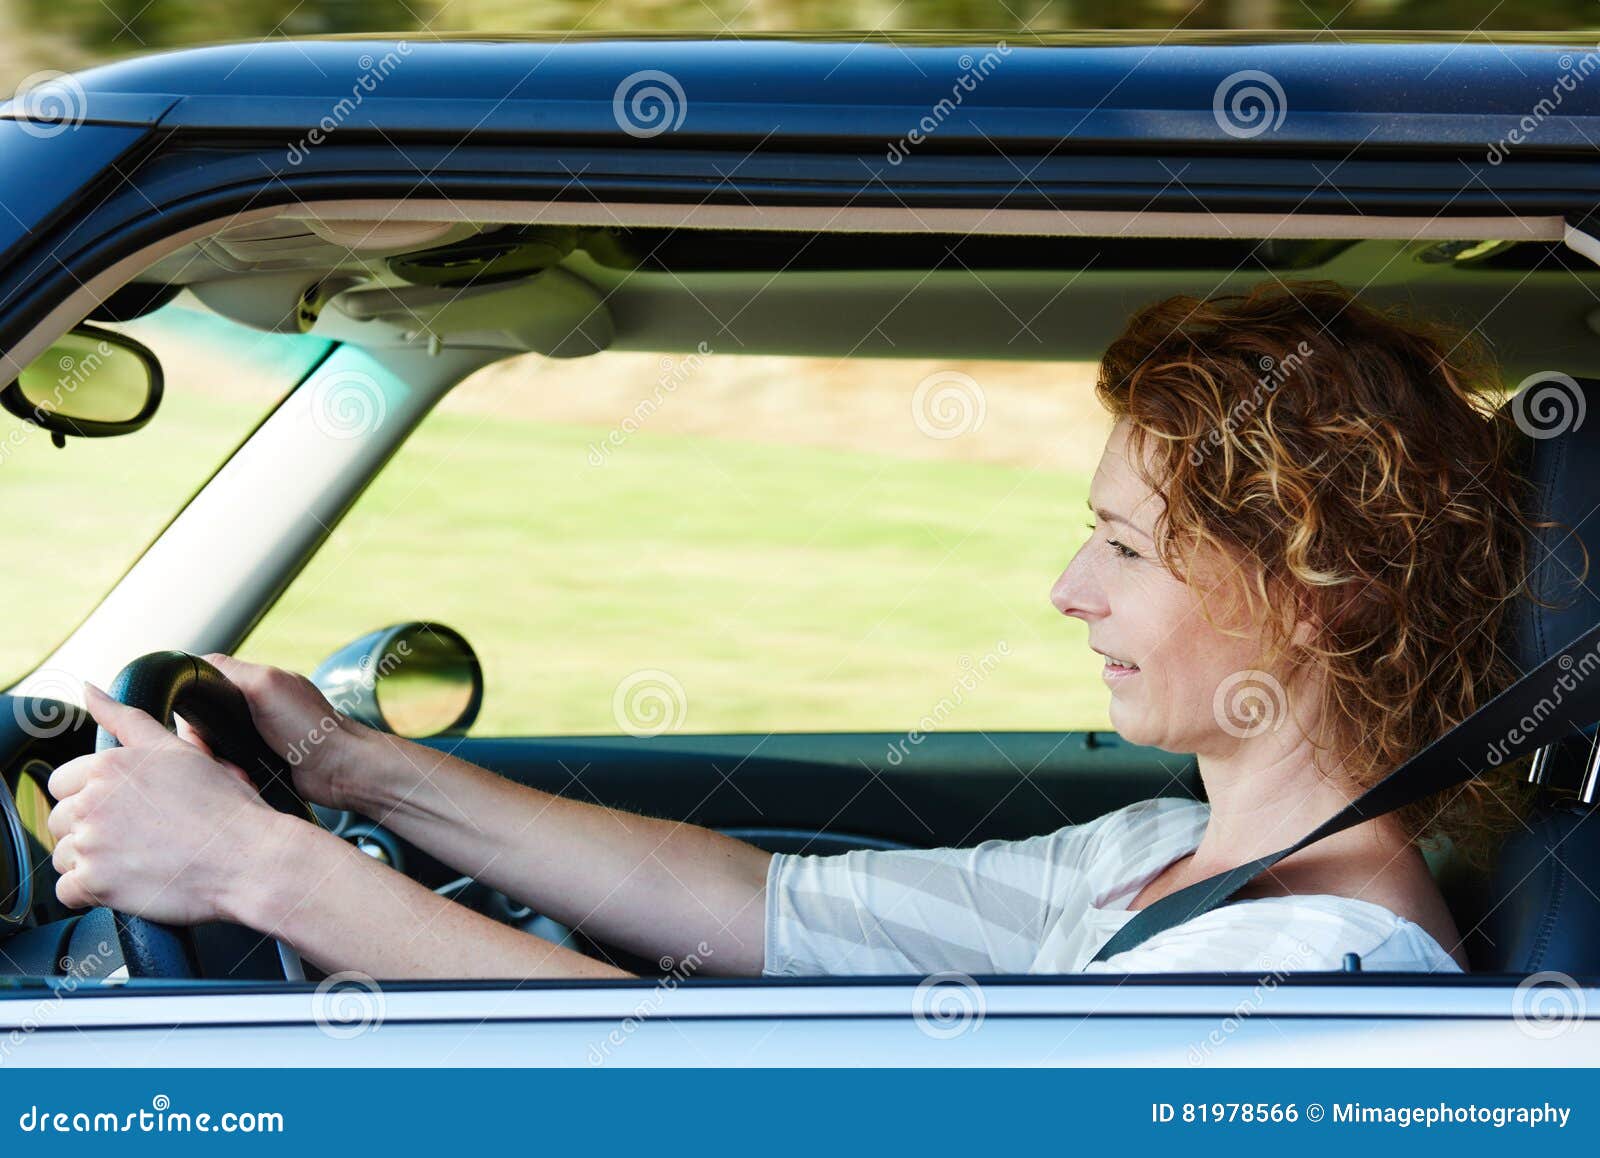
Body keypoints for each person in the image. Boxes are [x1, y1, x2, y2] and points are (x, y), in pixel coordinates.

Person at [45, 281, 1538, 978]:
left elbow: (683, 1100)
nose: (1070, 590)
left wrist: (258, 867)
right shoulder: (1153, 855)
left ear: (1323, 585)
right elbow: (763, 909)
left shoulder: (1299, 970)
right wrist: (350, 767)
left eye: (1129, 548)